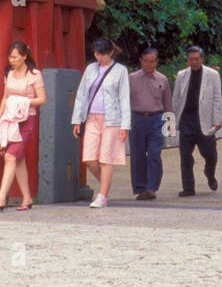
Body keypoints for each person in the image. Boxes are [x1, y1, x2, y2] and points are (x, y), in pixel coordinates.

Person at [0, 41, 45, 211]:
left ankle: (1, 198)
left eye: (15, 57)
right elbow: (5, 97)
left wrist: (22, 102)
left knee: (10, 157)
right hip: (10, 120)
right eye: (10, 56)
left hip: (27, 119)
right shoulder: (9, 73)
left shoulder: (34, 74)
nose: (11, 60)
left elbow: (42, 99)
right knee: (18, 159)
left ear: (24, 56)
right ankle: (27, 198)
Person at [71, 39, 131, 209]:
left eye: (102, 53)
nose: (99, 57)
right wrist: (77, 119)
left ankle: (102, 194)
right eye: (97, 53)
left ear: (110, 52)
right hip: (91, 117)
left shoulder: (120, 71)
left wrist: (125, 125)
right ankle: (105, 185)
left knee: (106, 158)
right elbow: (82, 94)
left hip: (112, 119)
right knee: (89, 158)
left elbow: (124, 98)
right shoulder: (91, 68)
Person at [172, 46, 222, 196]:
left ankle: (210, 173)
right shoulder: (182, 75)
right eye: (191, 59)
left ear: (201, 59)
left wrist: (217, 120)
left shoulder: (212, 75)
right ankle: (188, 187)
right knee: (185, 154)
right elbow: (176, 99)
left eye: (197, 59)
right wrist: (173, 120)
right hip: (187, 119)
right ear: (187, 60)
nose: (194, 62)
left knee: (211, 154)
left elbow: (217, 98)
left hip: (205, 119)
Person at [128, 47, 173, 200]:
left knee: (154, 154)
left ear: (157, 62)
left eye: (152, 62)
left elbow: (168, 104)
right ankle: (140, 189)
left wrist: (170, 127)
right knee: (138, 156)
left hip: (156, 120)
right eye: (146, 61)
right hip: (137, 119)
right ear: (141, 61)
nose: (149, 65)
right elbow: (124, 101)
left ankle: (151, 188)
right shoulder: (131, 78)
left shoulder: (162, 79)